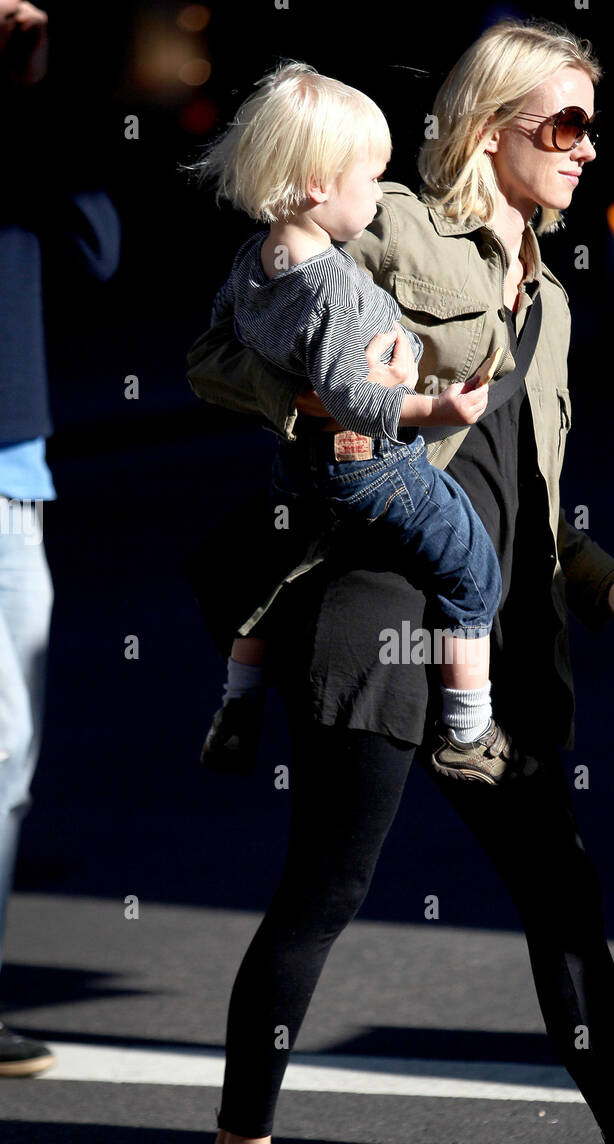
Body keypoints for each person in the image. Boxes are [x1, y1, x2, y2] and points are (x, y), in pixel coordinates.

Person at [185, 19, 614, 1144]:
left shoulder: (556, 302)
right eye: (564, 125)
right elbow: (220, 346)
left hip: (497, 631)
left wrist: (598, 576)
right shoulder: (394, 225)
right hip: (373, 607)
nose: (586, 150)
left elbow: (514, 482)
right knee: (327, 884)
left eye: (590, 124)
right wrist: (315, 403)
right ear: (487, 128)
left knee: (559, 891)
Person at [182, 61, 525, 786]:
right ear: (317, 187)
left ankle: (236, 710)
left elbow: (225, 331)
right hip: (370, 463)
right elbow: (357, 400)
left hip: (296, 463)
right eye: (369, 179)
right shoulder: (340, 287)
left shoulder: (257, 260)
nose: (378, 195)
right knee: (471, 568)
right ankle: (468, 731)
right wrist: (440, 407)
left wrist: (294, 376)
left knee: (275, 575)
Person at [0, 0, 121, 1076]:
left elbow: (98, 243)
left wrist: (30, 94)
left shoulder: (16, 132)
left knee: (10, 760)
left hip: (14, 467)